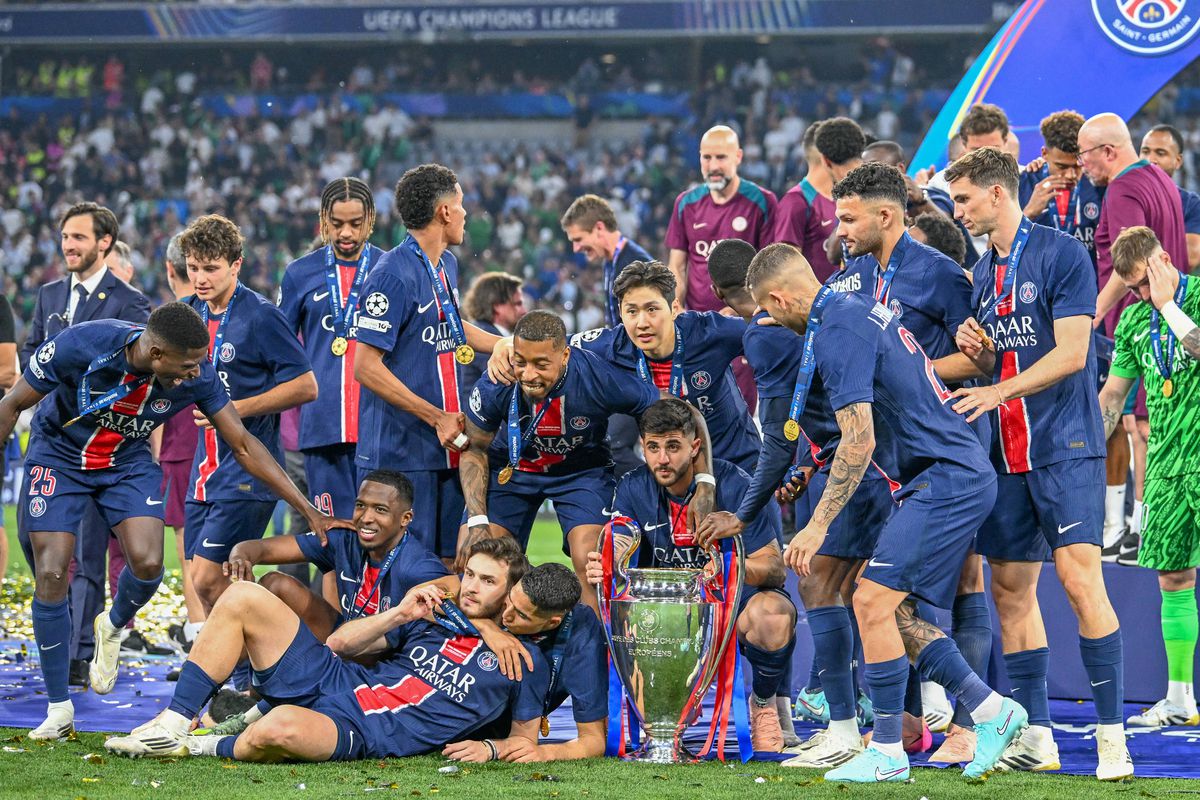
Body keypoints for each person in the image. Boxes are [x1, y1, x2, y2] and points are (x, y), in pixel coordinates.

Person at [746, 243, 1024, 783]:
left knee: (869, 599)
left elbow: (858, 441)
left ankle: (890, 752)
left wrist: (817, 524)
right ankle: (991, 710)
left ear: (779, 300)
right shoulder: (852, 307)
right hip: (939, 474)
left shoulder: (836, 329)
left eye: (766, 311)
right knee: (889, 611)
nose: (768, 321)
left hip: (946, 476)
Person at [5, 303, 341, 740]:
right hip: (59, 455)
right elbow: (11, 404)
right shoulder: (82, 344)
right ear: (157, 353)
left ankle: (110, 625)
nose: (194, 374)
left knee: (147, 566)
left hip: (125, 461)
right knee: (52, 570)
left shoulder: (195, 374)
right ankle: (58, 709)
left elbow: (242, 441)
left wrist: (308, 507)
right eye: (186, 366)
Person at [940, 146, 1132, 780]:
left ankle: (1111, 739)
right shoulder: (978, 272)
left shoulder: (1061, 254)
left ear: (997, 194)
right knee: (1011, 593)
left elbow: (1074, 352)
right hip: (1003, 454)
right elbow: (1000, 359)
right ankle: (1040, 736)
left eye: (964, 199)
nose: (958, 210)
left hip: (1066, 448)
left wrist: (998, 388)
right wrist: (974, 359)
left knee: (1081, 584)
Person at [824, 162, 993, 763]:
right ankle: (905, 729)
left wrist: (903, 373)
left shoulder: (943, 275)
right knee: (888, 595)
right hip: (892, 453)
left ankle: (972, 726)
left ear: (886, 215)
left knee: (960, 581)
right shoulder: (856, 276)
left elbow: (981, 362)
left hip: (951, 442)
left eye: (848, 217)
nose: (839, 228)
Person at [105, 538, 550, 763]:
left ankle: (188, 747)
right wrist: (398, 614)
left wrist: (489, 750)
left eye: (487, 581)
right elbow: (338, 644)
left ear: (511, 593)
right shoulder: (436, 613)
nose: (471, 586)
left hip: (362, 730)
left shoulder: (523, 661)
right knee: (244, 597)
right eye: (469, 574)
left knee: (278, 727)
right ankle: (172, 720)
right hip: (333, 677)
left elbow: (525, 740)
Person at [587, 398, 797, 754]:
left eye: (672, 446)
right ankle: (662, 722)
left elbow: (775, 569)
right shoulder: (633, 487)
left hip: (729, 611)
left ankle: (763, 703)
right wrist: (607, 561)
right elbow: (619, 543)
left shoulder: (735, 484)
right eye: (652, 447)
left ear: (695, 446)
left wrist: (732, 569)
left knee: (773, 615)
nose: (662, 459)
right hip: (668, 617)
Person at [18, 202, 153, 689]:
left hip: (101, 445)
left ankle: (78, 652)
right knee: (35, 544)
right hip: (49, 438)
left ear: (105, 243)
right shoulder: (49, 293)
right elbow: (34, 351)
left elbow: (135, 372)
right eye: (64, 237)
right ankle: (63, 636)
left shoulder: (130, 300)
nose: (68, 246)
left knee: (90, 551)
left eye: (78, 237)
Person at [460, 310, 659, 610]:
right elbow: (473, 448)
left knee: (593, 562)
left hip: (581, 472)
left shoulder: (597, 376)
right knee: (481, 559)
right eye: (521, 362)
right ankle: (495, 648)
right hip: (513, 469)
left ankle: (594, 650)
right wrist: (477, 520)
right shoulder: (497, 381)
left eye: (541, 364)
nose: (528, 374)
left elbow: (656, 407)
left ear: (565, 355)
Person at [353, 164, 503, 561]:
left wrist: (504, 346)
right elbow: (364, 366)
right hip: (401, 452)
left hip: (444, 447)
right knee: (404, 569)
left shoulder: (444, 265)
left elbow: (452, 324)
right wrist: (434, 416)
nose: (466, 212)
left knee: (445, 564)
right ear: (444, 213)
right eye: (461, 203)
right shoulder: (391, 275)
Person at [181, 214, 317, 617]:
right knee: (212, 581)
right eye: (193, 268)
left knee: (208, 578)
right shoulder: (190, 313)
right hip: (202, 473)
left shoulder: (260, 315)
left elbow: (306, 386)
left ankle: (275, 654)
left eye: (211, 268)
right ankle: (251, 672)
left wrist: (235, 409)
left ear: (235, 265)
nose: (200, 278)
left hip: (245, 471)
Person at [1098, 226, 1200, 729]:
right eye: (1131, 287)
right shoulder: (1134, 320)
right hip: (1163, 466)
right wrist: (1086, 448)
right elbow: (1115, 397)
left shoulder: (1198, 297)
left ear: (1163, 261)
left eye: (1142, 284)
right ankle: (1180, 698)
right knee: (1174, 578)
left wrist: (1168, 305)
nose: (1138, 295)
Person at [1082, 112, 1187, 565]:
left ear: (1108, 151)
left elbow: (1131, 265)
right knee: (1147, 426)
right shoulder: (1159, 179)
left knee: (1140, 428)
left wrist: (1094, 313)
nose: (1083, 165)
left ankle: (1144, 531)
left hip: (1144, 325)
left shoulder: (1123, 189)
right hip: (1167, 317)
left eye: (1085, 155)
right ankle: (1141, 529)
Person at [559, 261, 761, 473]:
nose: (642, 322)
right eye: (632, 311)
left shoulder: (710, 332)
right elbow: (550, 346)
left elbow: (777, 331)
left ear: (674, 308)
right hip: (676, 477)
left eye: (652, 309)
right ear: (620, 312)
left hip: (738, 465)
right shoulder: (612, 345)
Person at [278, 177, 385, 521]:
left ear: (371, 220)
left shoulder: (390, 269)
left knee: (378, 532)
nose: (346, 234)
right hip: (321, 425)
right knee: (332, 534)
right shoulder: (299, 273)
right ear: (323, 220)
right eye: (337, 224)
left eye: (355, 224)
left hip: (379, 426)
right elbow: (281, 348)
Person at [445, 563, 608, 762]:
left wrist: (545, 753)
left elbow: (594, 741)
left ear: (552, 622)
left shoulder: (581, 639)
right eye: (510, 599)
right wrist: (486, 627)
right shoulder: (510, 571)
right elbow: (428, 598)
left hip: (497, 727)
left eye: (521, 615)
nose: (506, 615)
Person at [665, 125, 777, 314]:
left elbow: (770, 268)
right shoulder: (685, 203)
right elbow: (677, 266)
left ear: (738, 157)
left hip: (745, 319)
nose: (714, 166)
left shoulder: (762, 201)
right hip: (698, 320)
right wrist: (676, 307)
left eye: (721, 157)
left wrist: (740, 309)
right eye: (707, 157)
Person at [160, 233, 205, 656]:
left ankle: (198, 636)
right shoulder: (219, 316)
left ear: (171, 271)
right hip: (219, 442)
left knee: (188, 547)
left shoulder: (168, 321)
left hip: (179, 442)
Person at [1018, 110, 1104, 267]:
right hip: (1037, 289)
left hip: (1089, 287)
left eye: (1077, 165)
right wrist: (1029, 213)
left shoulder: (1099, 184)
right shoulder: (1022, 184)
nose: (1071, 175)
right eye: (1061, 166)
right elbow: (994, 248)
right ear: (1044, 154)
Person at [560, 193, 652, 328]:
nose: (576, 249)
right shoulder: (609, 261)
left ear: (599, 228)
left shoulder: (635, 264)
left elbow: (647, 327)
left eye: (578, 239)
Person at [771, 121, 839, 282]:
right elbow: (786, 270)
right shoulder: (796, 202)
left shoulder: (844, 198)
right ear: (827, 159)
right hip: (817, 305)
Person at [1140, 124, 1200, 270]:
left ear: (1178, 161)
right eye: (1145, 151)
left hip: (1171, 290)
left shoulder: (1190, 204)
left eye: (1160, 153)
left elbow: (1190, 258)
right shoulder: (1124, 198)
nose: (1150, 159)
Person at [460, 272, 527, 391]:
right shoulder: (481, 339)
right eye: (518, 304)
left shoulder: (483, 330)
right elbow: (518, 382)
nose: (524, 311)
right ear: (497, 306)